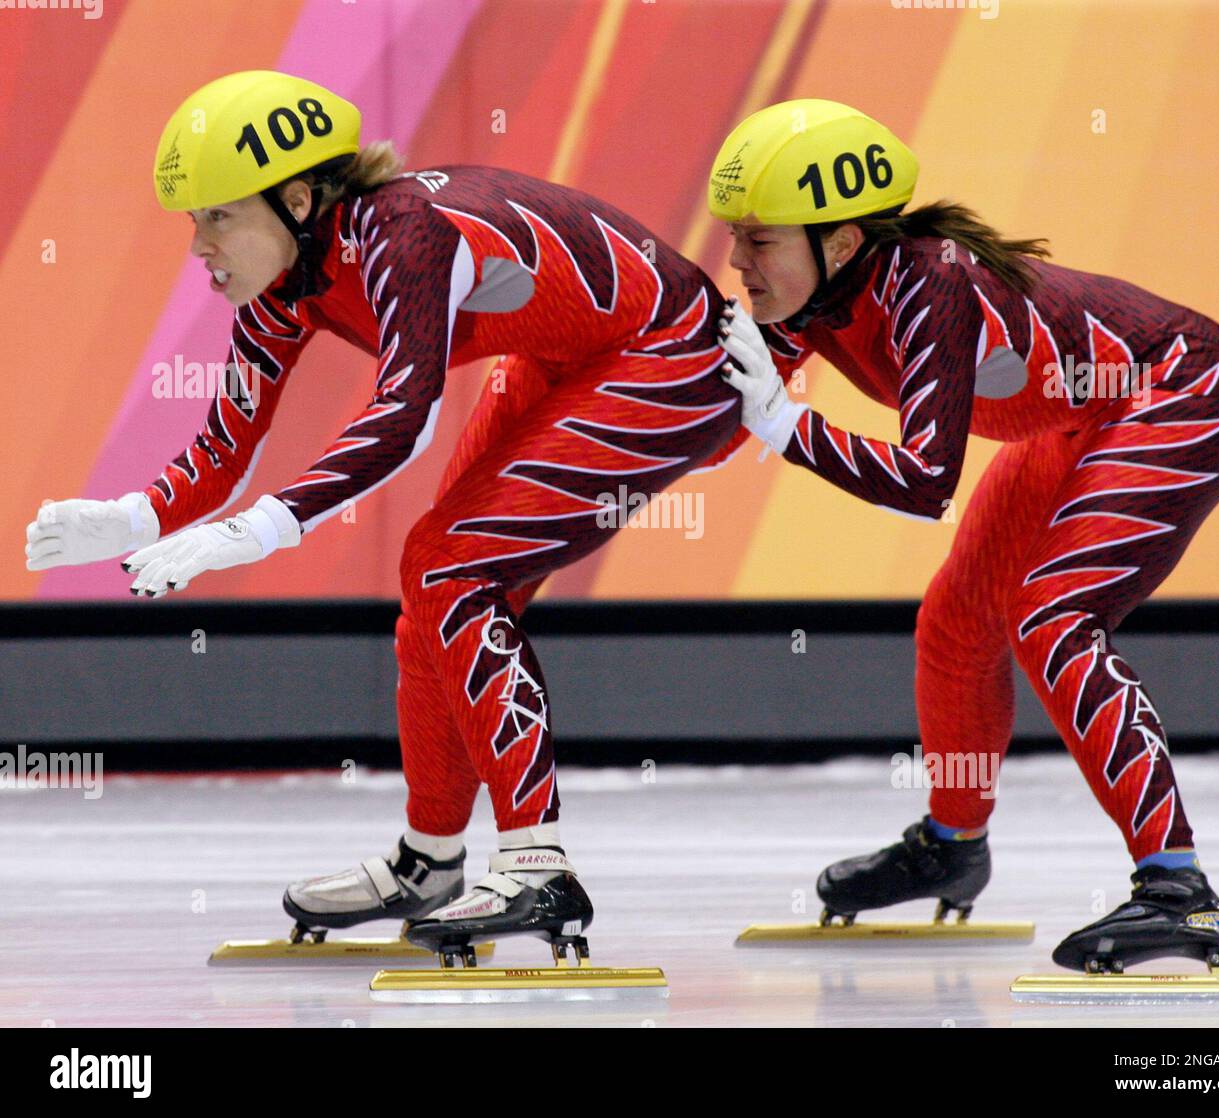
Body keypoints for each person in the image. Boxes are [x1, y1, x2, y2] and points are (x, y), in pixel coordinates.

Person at [24, 70, 742, 961]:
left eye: (216, 216)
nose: (198, 245)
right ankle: (431, 862)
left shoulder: (401, 233)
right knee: (427, 610)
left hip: (674, 360)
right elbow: (227, 445)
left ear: (295, 198)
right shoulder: (288, 274)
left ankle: (537, 864)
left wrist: (255, 531)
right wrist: (133, 518)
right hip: (569, 357)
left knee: (446, 566)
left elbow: (404, 417)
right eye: (191, 220)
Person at [708, 99, 1219, 973]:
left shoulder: (930, 283)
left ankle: (1179, 890)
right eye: (735, 235)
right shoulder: (808, 295)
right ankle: (954, 841)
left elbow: (927, 483)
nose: (737, 260)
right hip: (1080, 414)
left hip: (1183, 390)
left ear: (842, 241)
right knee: (958, 619)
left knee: (1050, 616)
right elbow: (714, 429)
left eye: (758, 239)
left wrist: (784, 426)